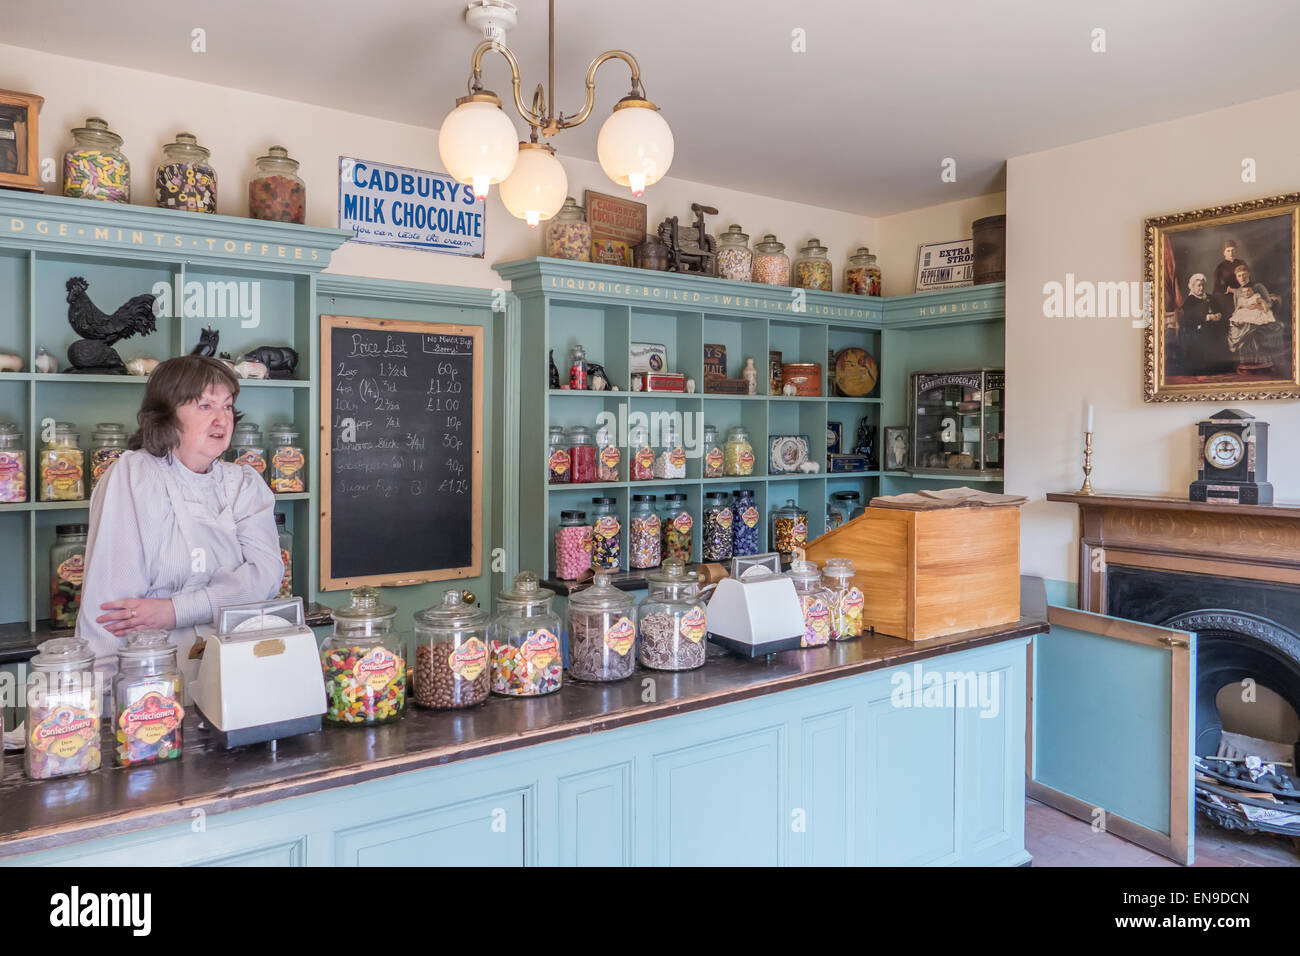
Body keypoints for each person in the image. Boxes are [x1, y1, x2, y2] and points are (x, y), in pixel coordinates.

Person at [77, 355, 283, 690]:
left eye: (227, 406)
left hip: (235, 674)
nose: (222, 419)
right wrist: (102, 704)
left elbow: (264, 579)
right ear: (167, 415)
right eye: (205, 406)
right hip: (148, 678)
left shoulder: (245, 483)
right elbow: (113, 612)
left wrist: (174, 610)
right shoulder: (133, 476)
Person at [1225, 263, 1286, 371]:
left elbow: (1268, 303)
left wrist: (1258, 306)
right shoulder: (1237, 292)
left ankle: (1261, 362)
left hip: (1259, 315)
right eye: (1239, 276)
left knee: (1251, 328)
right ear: (1236, 278)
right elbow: (1238, 308)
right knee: (1238, 326)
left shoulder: (1258, 286)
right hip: (1244, 317)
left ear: (1248, 274)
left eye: (1244, 274)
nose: (1242, 278)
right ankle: (1246, 362)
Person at [1176, 273, 1226, 375]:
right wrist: (1208, 317)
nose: (1201, 288)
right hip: (1194, 329)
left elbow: (1219, 309)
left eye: (1203, 285)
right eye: (1199, 285)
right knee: (1203, 336)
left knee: (1221, 331)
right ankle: (1202, 367)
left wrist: (1219, 314)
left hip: (1212, 326)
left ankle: (1217, 364)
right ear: (1192, 286)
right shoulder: (1189, 301)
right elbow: (1189, 319)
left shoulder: (1208, 297)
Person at [1212, 238, 1248, 318]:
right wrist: (1229, 289)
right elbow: (1217, 286)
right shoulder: (1220, 267)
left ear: (1236, 251)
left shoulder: (1242, 263)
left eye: (1233, 250)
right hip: (1230, 294)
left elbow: (1249, 279)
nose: (1231, 253)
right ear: (1224, 252)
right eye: (1228, 251)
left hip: (1244, 291)